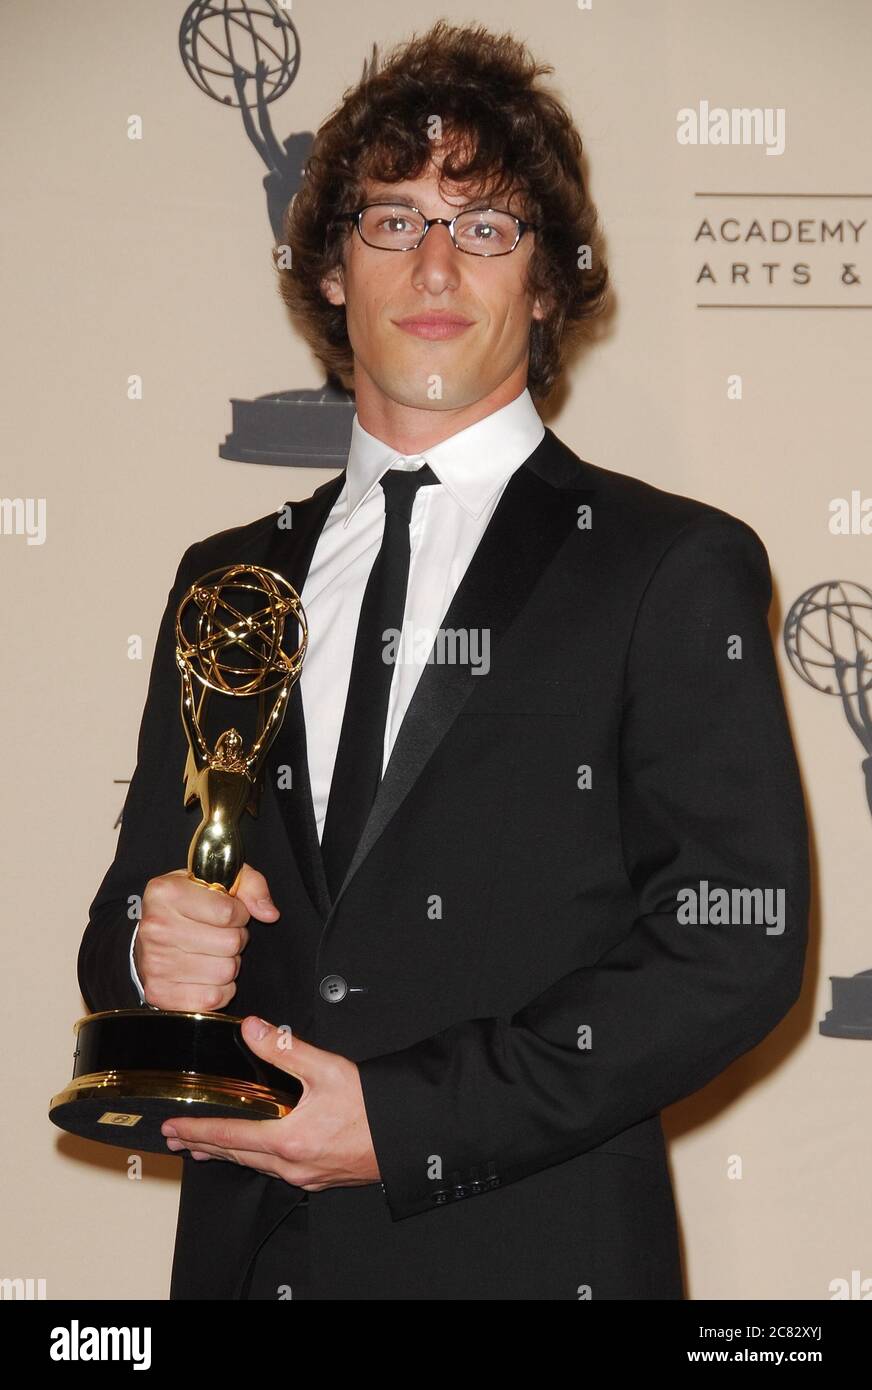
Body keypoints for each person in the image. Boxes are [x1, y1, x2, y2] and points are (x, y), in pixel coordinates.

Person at [78, 19, 809, 1300]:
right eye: (389, 218)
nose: (432, 258)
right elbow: (125, 910)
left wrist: (406, 1124)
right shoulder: (227, 579)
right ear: (325, 272)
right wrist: (156, 950)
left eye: (483, 226)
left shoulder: (662, 564)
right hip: (251, 1271)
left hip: (534, 1261)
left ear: (543, 283)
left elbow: (728, 944)